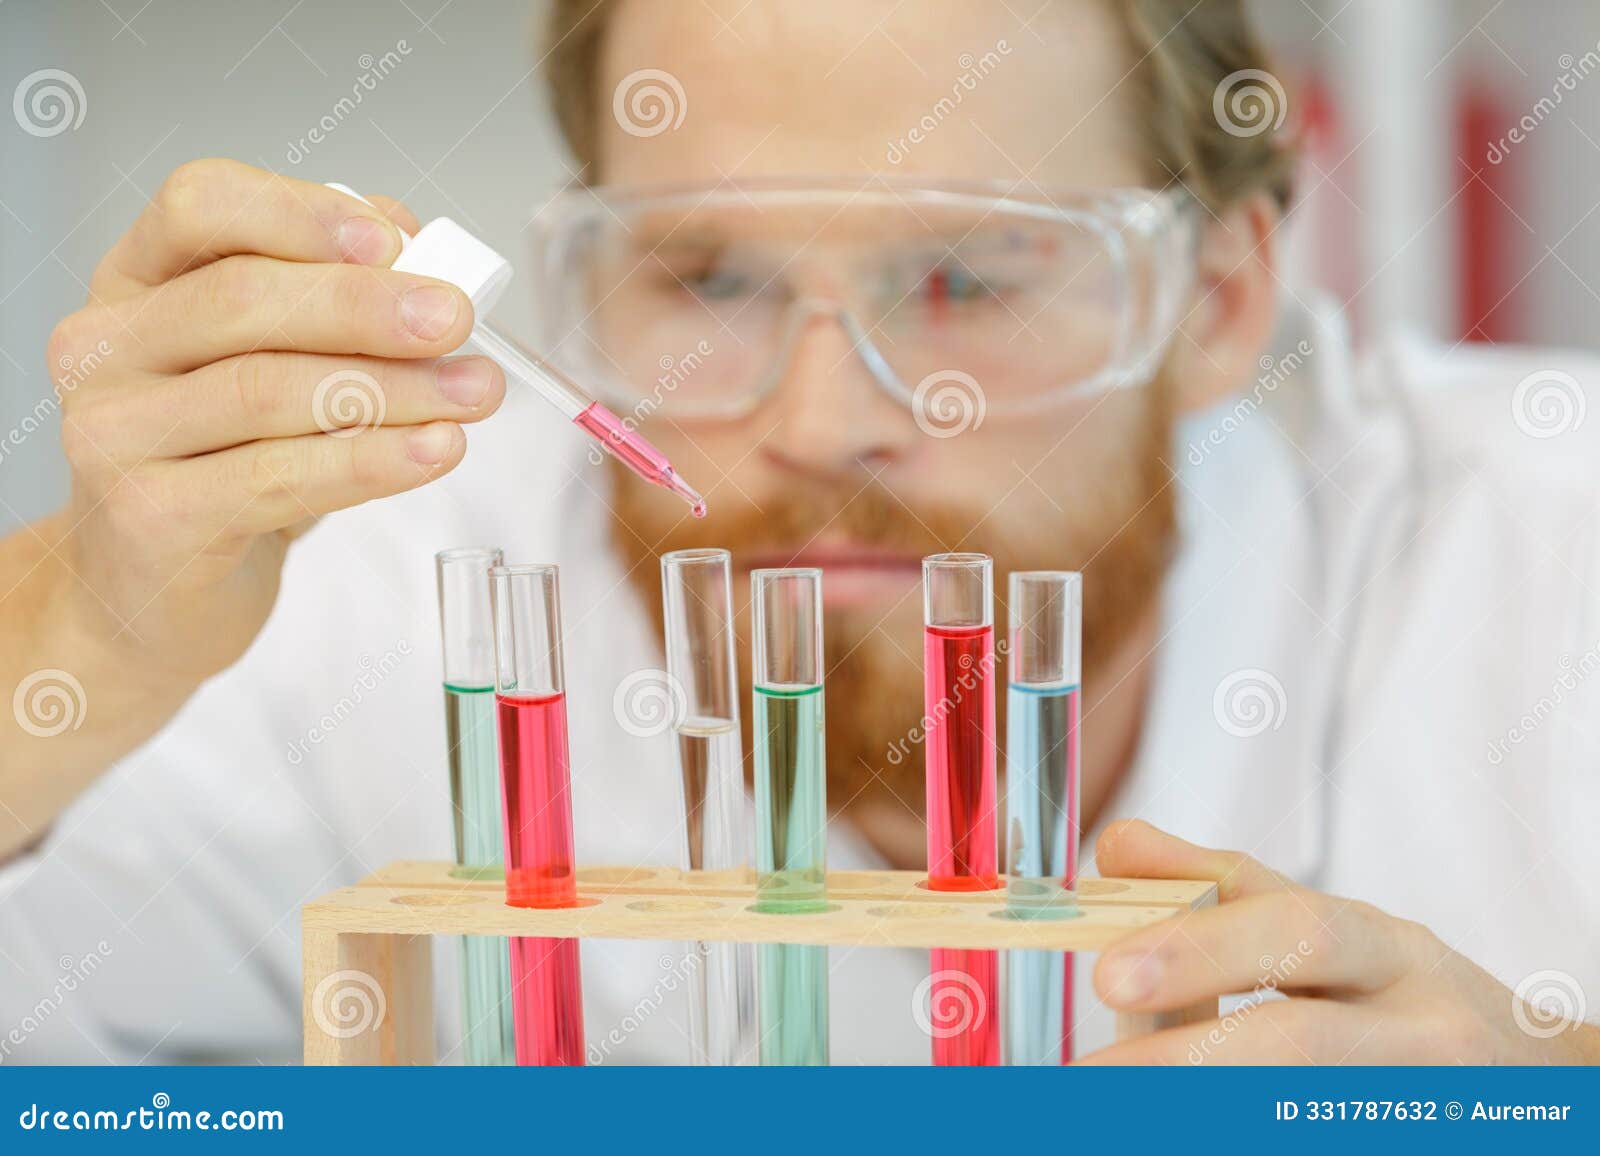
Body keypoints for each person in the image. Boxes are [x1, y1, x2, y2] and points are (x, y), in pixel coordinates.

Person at [1, 0, 1597, 1065]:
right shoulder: (392, 585)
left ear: (1222, 299)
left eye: (969, 281)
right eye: (709, 279)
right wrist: (74, 634)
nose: (825, 420)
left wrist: (1548, 1084)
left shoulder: (1546, 544)